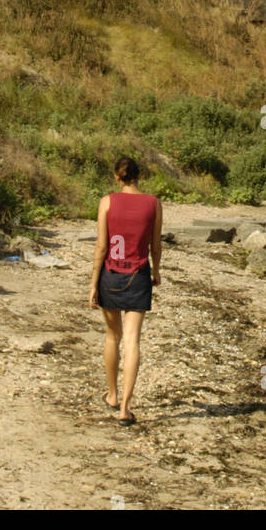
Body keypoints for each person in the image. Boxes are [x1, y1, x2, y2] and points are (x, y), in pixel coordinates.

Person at [89, 155, 162, 425]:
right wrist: (156, 271)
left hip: (111, 275)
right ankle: (125, 409)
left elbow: (101, 246)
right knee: (132, 341)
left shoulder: (107, 202)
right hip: (138, 276)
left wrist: (93, 282)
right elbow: (156, 245)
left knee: (112, 337)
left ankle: (112, 394)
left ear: (117, 177)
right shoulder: (154, 204)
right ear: (138, 176)